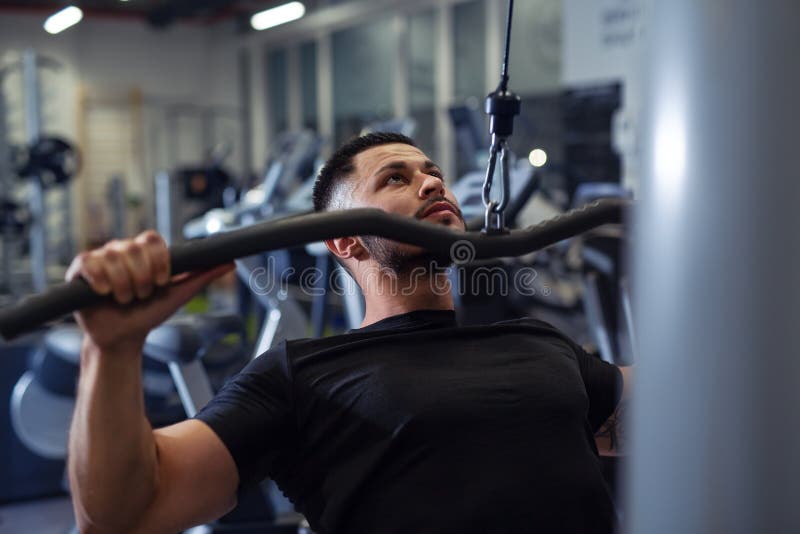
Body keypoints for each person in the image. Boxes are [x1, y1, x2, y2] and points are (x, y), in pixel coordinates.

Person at [67, 132, 631, 534]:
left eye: (433, 172)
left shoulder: (541, 344)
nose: (432, 183)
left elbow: (687, 413)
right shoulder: (300, 377)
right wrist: (111, 350)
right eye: (397, 178)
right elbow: (125, 513)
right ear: (345, 240)